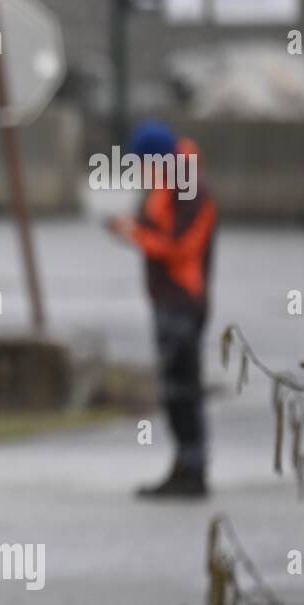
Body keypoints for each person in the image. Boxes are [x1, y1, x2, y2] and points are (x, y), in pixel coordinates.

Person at [107, 122, 217, 498]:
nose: (139, 172)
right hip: (167, 299)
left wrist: (134, 235)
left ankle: (193, 467)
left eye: (141, 164)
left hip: (184, 300)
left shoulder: (189, 187)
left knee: (183, 388)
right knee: (174, 389)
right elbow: (159, 228)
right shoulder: (169, 183)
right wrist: (133, 226)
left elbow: (181, 245)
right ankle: (184, 464)